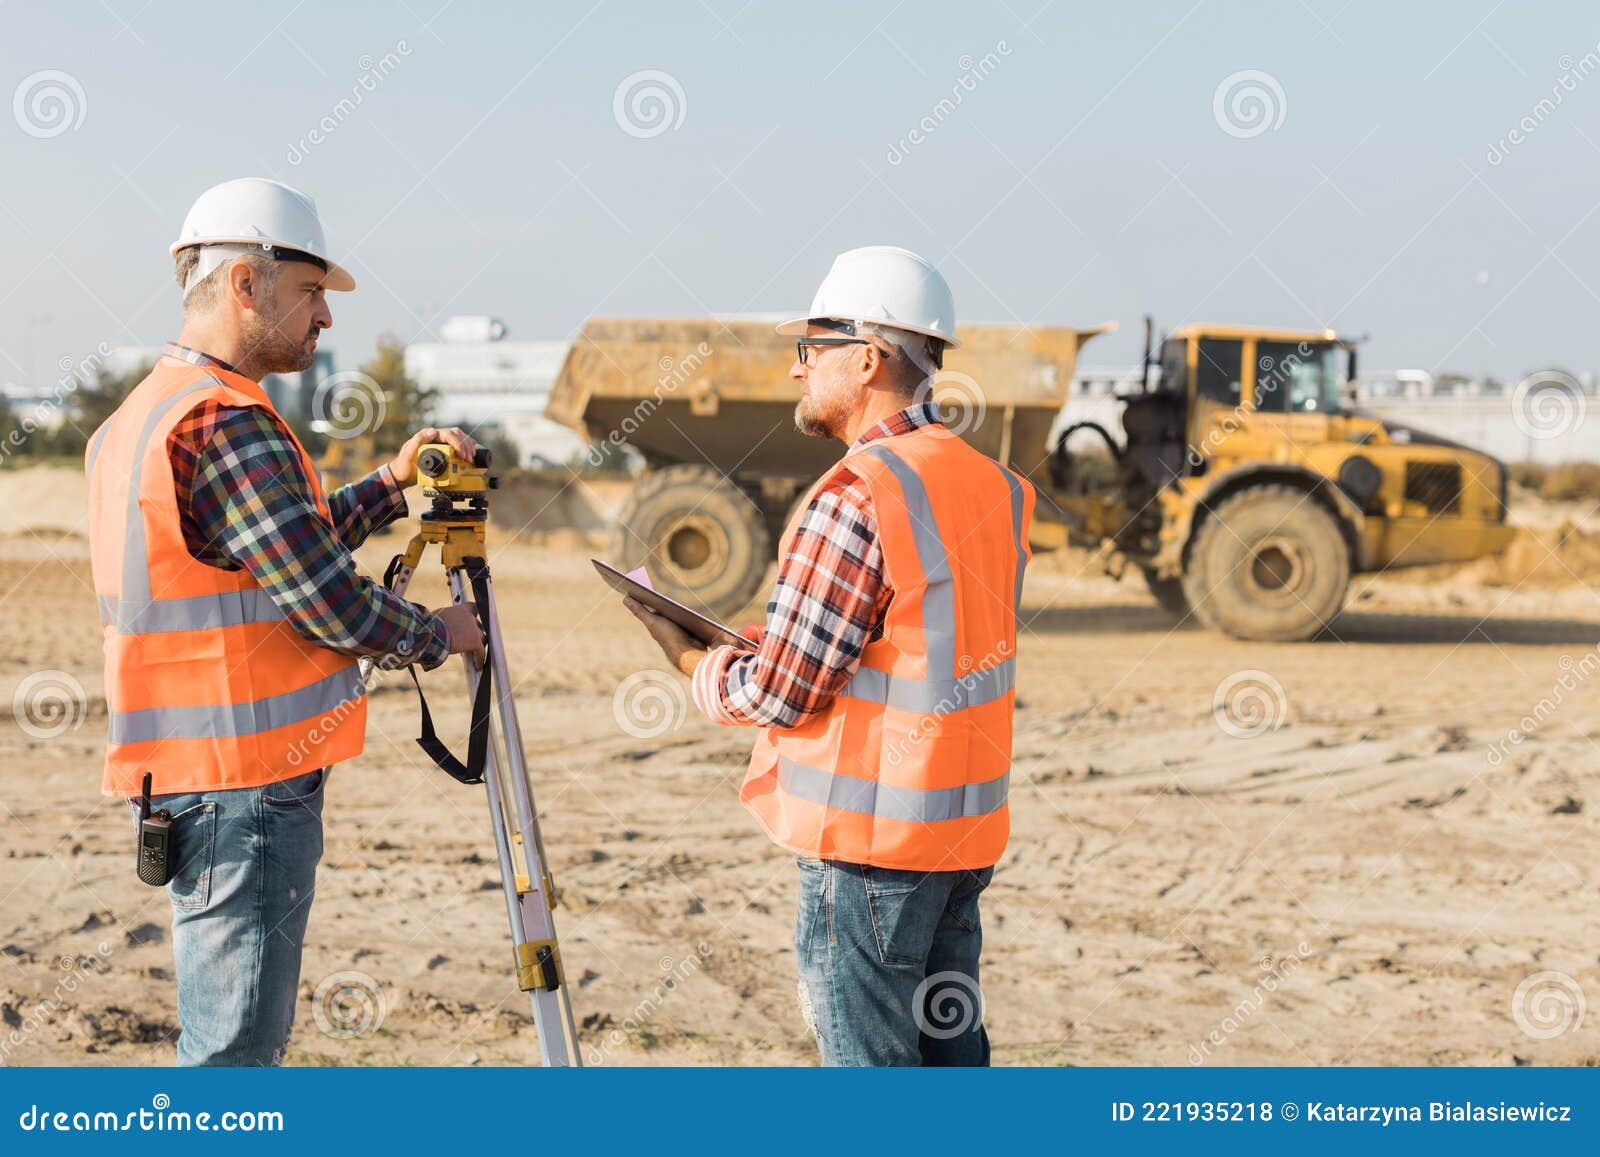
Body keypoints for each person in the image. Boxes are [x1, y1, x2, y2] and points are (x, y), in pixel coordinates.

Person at [85, 177, 485, 1066]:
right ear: (245, 283)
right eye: (310, 291)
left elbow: (274, 552)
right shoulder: (229, 423)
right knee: (235, 1055)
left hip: (186, 775)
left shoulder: (141, 417)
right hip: (246, 784)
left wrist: (391, 482)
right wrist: (438, 633)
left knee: (223, 1042)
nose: (325, 317)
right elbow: (326, 599)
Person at [626, 245, 1032, 1066]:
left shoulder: (857, 492)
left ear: (869, 357)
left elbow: (784, 692)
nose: (796, 367)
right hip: (962, 837)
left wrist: (693, 663)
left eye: (812, 348)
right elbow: (910, 641)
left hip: (872, 851)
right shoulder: (995, 485)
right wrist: (766, 642)